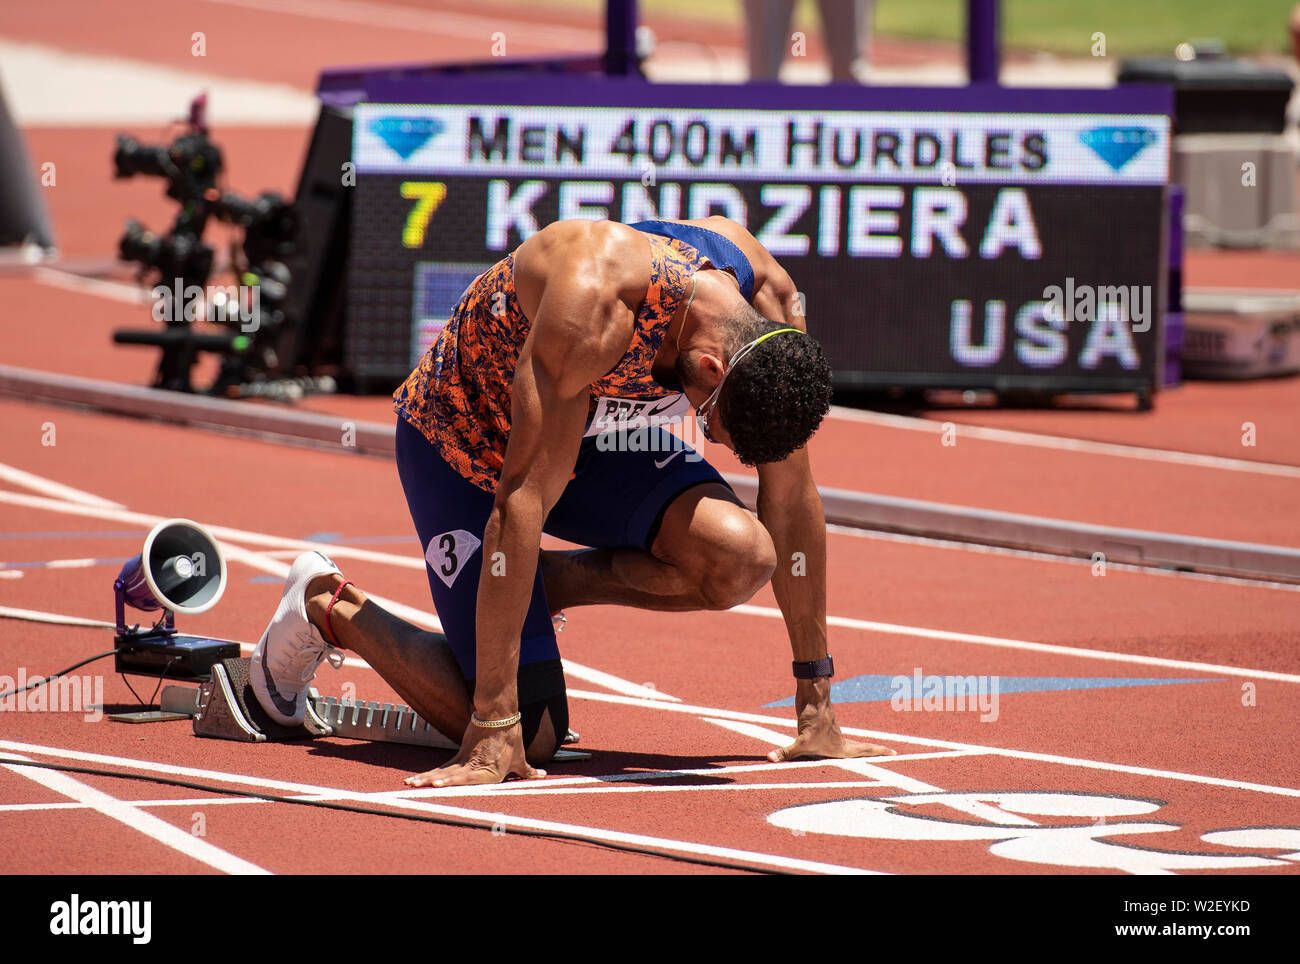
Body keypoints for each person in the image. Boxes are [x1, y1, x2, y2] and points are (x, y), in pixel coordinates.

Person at [251, 215, 894, 788]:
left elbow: (792, 499)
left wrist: (816, 704)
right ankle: (326, 605)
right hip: (469, 446)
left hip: (600, 440)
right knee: (530, 734)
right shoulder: (593, 301)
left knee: (744, 555)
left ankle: (540, 588)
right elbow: (521, 498)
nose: (712, 439)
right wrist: (493, 721)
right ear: (708, 370)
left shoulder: (770, 313)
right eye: (714, 427)